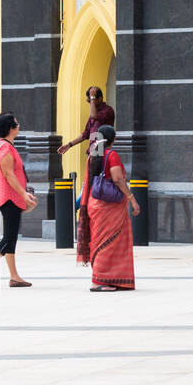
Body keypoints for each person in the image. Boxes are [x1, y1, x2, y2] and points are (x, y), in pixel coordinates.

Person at [0, 113, 38, 289]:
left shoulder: (6, 146)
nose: (19, 126)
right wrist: (23, 194)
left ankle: (14, 277)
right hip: (9, 197)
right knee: (9, 237)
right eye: (17, 124)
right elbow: (9, 175)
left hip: (11, 197)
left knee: (11, 239)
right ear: (11, 128)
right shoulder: (5, 148)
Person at [76, 125, 139, 292]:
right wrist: (132, 198)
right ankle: (98, 280)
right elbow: (118, 179)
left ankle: (109, 279)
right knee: (107, 243)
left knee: (100, 241)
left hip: (95, 204)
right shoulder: (112, 155)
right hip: (108, 207)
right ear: (114, 139)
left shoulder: (93, 154)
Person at [58, 86, 115, 156]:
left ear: (100, 98)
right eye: (89, 101)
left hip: (102, 152)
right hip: (93, 152)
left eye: (93, 100)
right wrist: (69, 145)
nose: (91, 103)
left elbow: (94, 116)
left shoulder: (108, 110)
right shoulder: (93, 113)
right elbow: (85, 134)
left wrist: (92, 99)